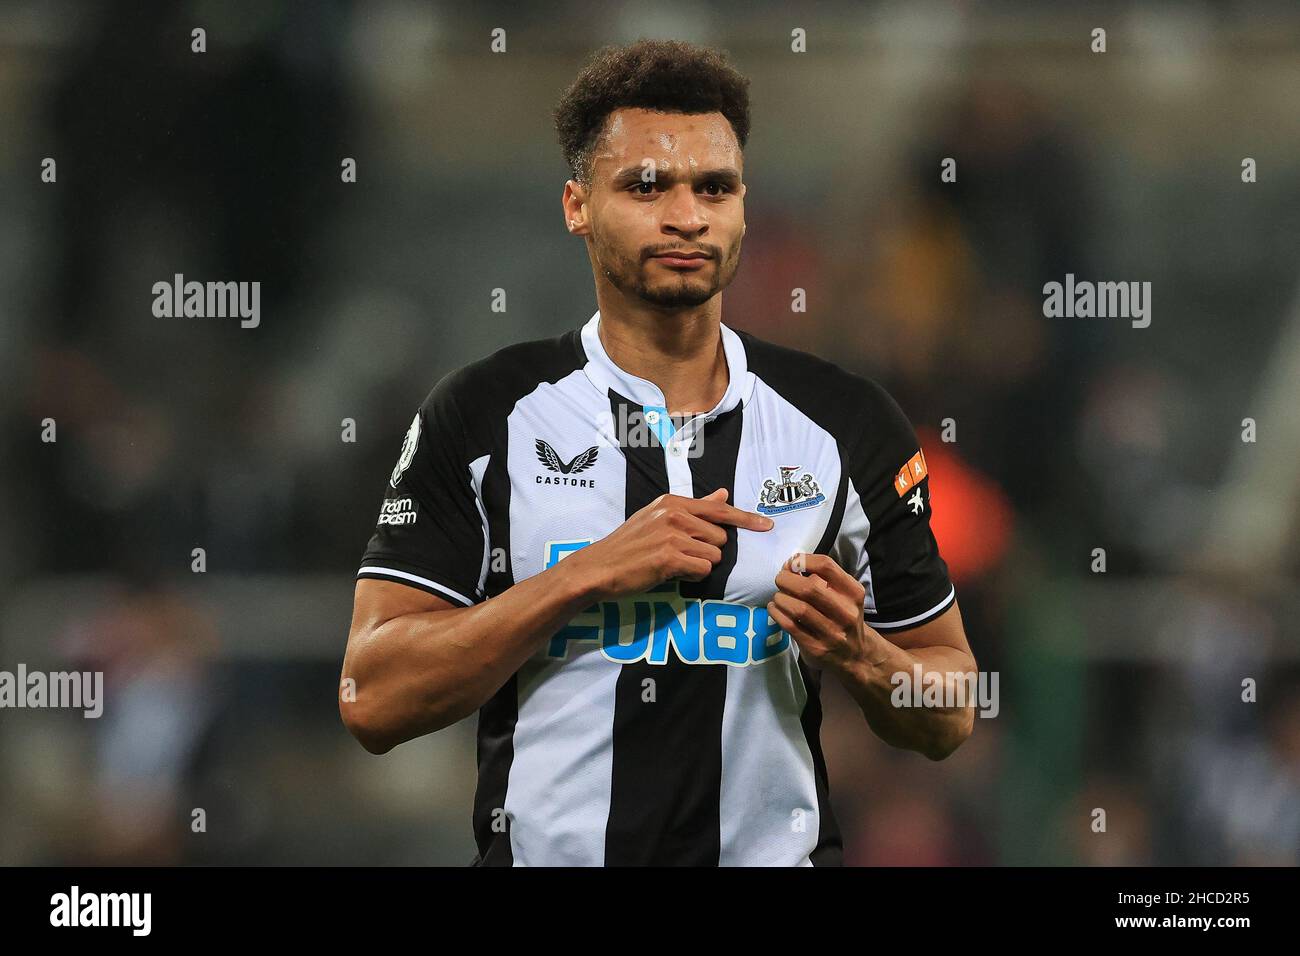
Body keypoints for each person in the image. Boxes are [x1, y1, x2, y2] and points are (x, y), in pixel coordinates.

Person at [340, 39, 976, 866]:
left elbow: (951, 707)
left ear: (743, 205)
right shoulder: (485, 413)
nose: (686, 215)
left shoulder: (845, 422)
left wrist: (864, 654)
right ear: (576, 205)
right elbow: (371, 696)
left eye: (714, 186)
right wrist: (580, 577)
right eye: (646, 185)